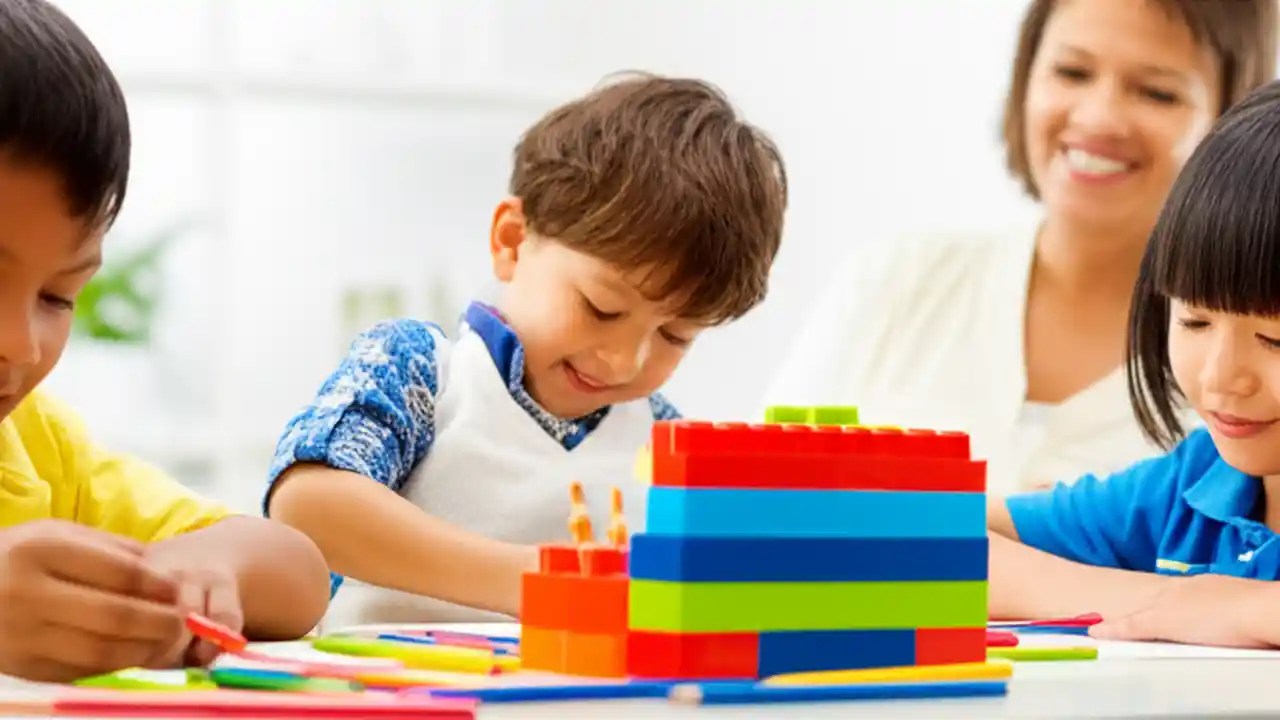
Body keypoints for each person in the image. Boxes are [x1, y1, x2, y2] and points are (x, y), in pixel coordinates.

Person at [265, 73, 789, 627]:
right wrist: (537, 581)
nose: (625, 360)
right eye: (601, 308)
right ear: (512, 241)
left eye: (674, 337)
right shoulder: (423, 373)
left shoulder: (666, 443)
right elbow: (306, 506)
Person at [761, 0, 1277, 496]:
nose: (1097, 118)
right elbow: (757, 507)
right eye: (1072, 73)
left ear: (1233, 120)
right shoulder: (893, 281)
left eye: (1156, 93)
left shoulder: (1243, 375)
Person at [0, 0, 330, 682]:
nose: (20, 346)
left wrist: (200, 572)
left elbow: (297, 569)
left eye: (57, 297)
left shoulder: (39, 449)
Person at [990, 78, 1280, 648]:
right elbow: (930, 536)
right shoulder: (1194, 485)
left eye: (1275, 341)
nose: (1222, 376)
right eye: (1194, 321)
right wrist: (1178, 603)